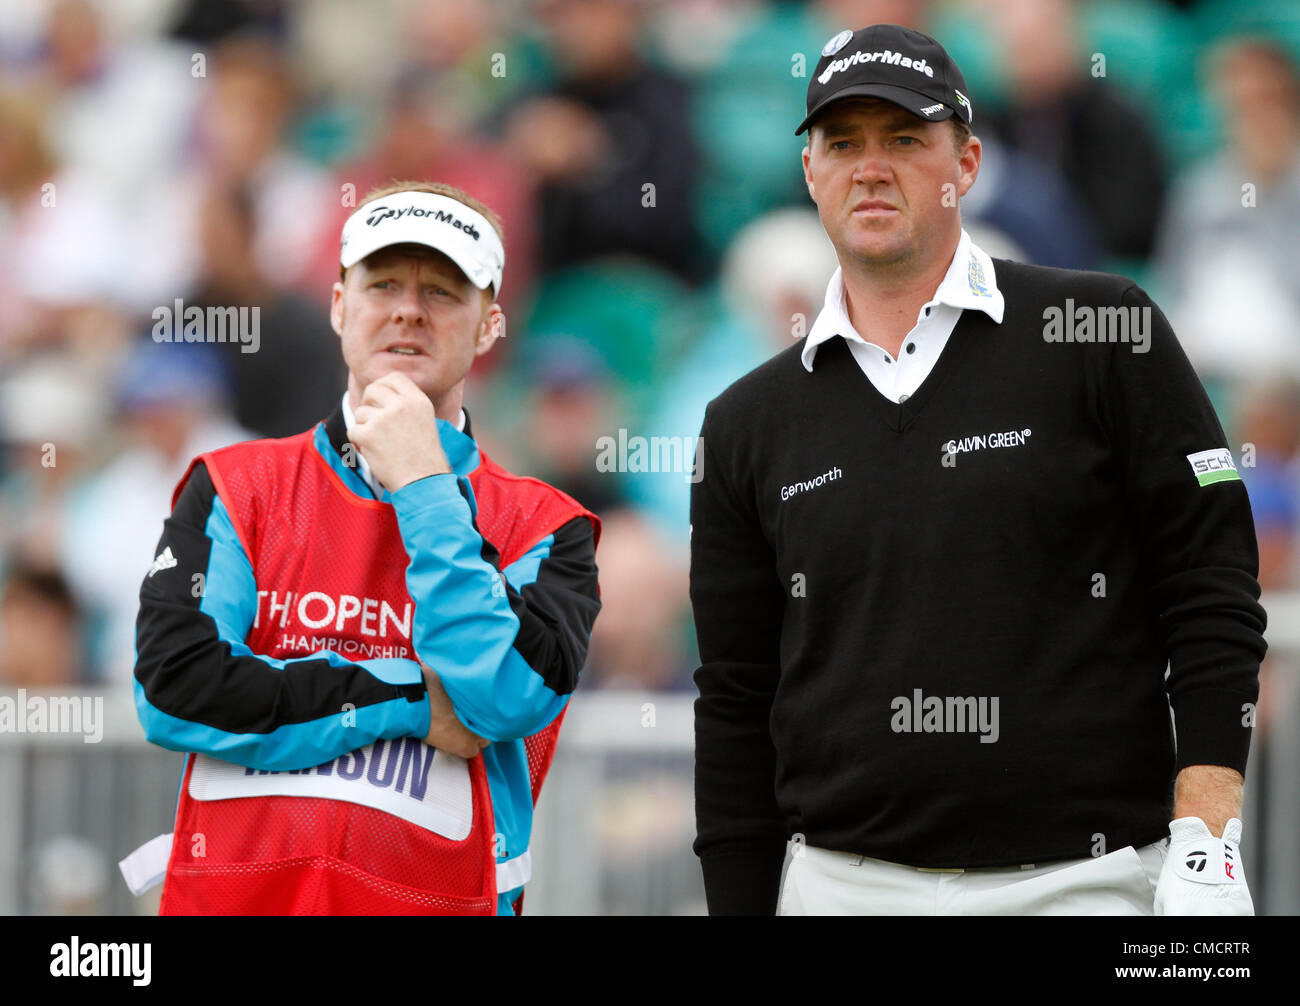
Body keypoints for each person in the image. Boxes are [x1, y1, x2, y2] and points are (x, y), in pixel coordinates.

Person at [689, 24, 1265, 916]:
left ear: (966, 163)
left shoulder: (1103, 328)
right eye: (843, 144)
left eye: (905, 140)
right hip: (840, 889)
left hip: (1088, 884)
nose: (870, 168)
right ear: (811, 174)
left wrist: (1208, 833)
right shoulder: (744, 424)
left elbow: (1211, 584)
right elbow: (735, 697)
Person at [127, 181, 602, 915]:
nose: (408, 308)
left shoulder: (547, 524)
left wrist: (423, 485)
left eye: (443, 291)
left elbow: (505, 694)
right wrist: (405, 696)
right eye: (382, 283)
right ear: (340, 306)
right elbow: (174, 690)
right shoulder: (234, 485)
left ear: (488, 327)